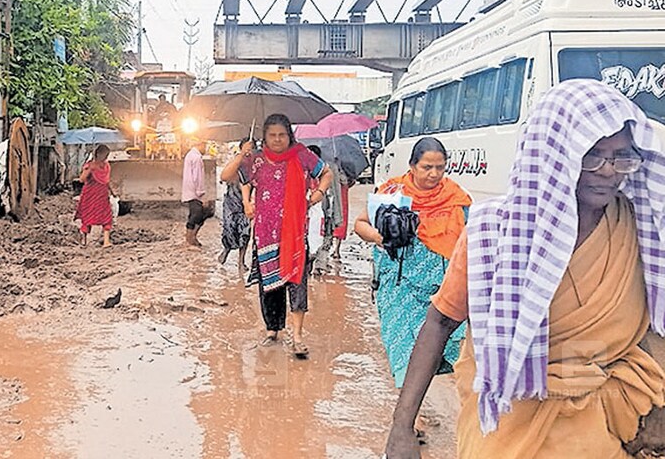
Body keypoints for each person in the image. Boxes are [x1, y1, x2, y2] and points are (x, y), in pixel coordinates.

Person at [384, 80, 665, 459]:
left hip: (604, 426)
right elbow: (440, 323)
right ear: (555, 156)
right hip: (509, 427)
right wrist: (401, 427)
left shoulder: (642, 230)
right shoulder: (494, 234)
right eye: (593, 156)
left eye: (621, 157)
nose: (609, 171)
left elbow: (654, 325)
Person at [354, 137, 472, 391]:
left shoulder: (455, 198)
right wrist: (378, 237)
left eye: (440, 167)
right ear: (412, 165)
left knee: (444, 346)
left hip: (441, 290)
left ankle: (420, 406)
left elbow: (471, 240)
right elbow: (360, 224)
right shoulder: (392, 194)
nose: (434, 174)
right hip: (400, 287)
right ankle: (409, 416)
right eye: (427, 167)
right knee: (404, 348)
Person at [243, 114, 333, 357]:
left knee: (296, 282)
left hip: (294, 232)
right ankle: (272, 330)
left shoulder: (302, 155)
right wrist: (245, 200)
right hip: (265, 233)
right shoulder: (257, 160)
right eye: (271, 135)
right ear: (264, 137)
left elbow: (327, 173)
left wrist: (320, 193)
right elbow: (234, 177)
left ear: (290, 136)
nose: (277, 139)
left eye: (282, 134)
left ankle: (297, 336)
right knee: (269, 285)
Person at [219, 138, 255, 270]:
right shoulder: (236, 161)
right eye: (247, 147)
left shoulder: (253, 164)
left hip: (247, 203)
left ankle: (241, 261)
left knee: (245, 232)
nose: (249, 150)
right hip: (231, 202)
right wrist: (241, 157)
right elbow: (223, 176)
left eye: (251, 147)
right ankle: (226, 251)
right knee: (229, 229)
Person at [75, 144, 113, 248]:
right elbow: (82, 179)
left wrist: (112, 192)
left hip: (99, 194)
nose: (104, 157)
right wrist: (89, 169)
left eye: (105, 155)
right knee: (90, 216)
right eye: (103, 155)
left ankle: (106, 241)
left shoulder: (104, 166)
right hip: (92, 194)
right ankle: (85, 241)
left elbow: (82, 179)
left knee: (106, 216)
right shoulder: (99, 166)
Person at [182, 138, 211, 248]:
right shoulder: (197, 158)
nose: (205, 149)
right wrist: (201, 194)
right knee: (200, 214)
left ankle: (191, 238)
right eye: (205, 146)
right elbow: (197, 177)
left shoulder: (189, 155)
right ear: (200, 145)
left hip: (189, 190)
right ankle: (191, 238)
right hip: (195, 192)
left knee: (194, 214)